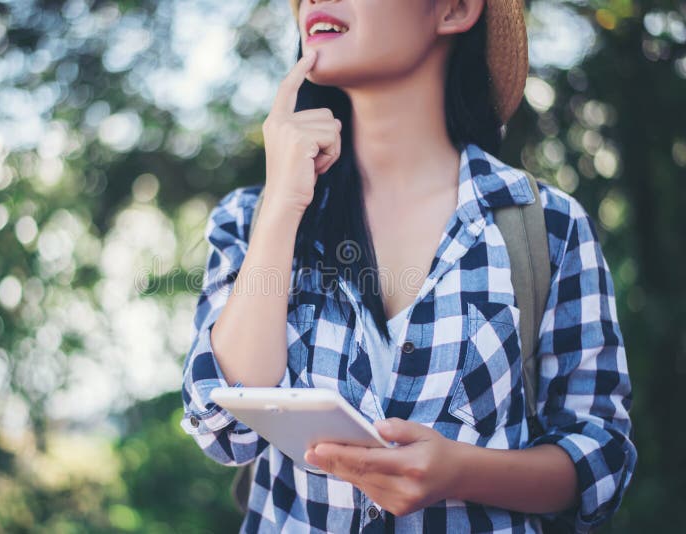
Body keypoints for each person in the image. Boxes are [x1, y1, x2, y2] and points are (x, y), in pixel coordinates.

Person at [180, 0, 637, 532]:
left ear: (453, 11)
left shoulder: (547, 226)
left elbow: (601, 458)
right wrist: (283, 203)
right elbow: (223, 430)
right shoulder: (249, 217)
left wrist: (464, 472)